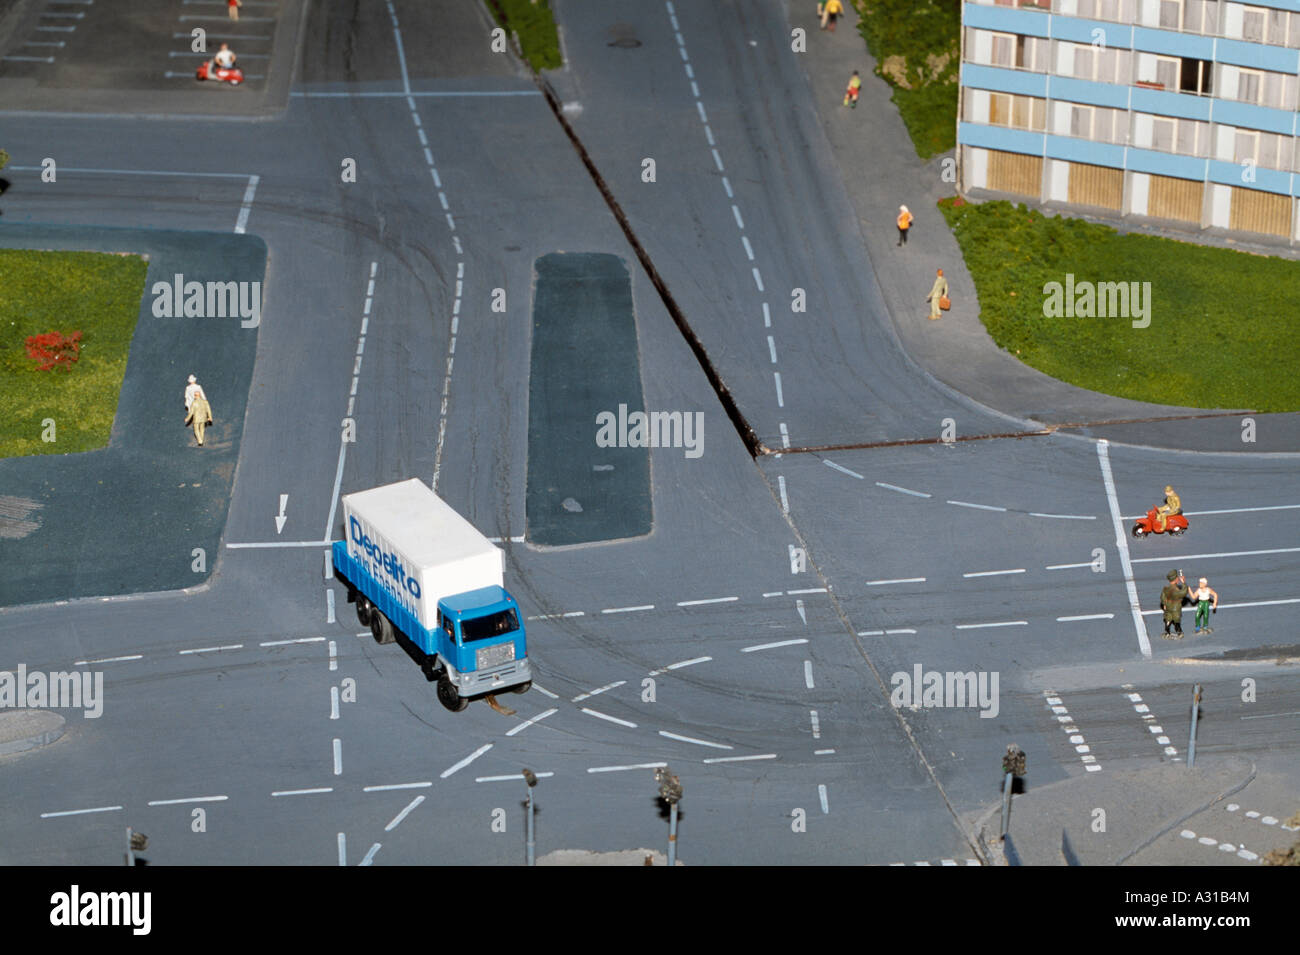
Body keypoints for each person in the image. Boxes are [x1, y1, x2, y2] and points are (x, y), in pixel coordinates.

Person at [184, 375, 213, 447]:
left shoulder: (188, 388)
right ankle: (201, 439)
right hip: (200, 408)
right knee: (201, 428)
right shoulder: (198, 387)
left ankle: (200, 440)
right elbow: (203, 396)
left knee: (197, 427)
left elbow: (187, 397)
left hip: (193, 405)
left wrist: (187, 418)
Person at [1159, 569, 1188, 639]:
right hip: (1175, 608)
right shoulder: (1176, 590)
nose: (1178, 579)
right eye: (1177, 578)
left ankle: (1167, 633)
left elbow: (1162, 598)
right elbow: (1184, 592)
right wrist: (1184, 583)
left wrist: (1165, 604)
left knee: (1168, 620)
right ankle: (1179, 632)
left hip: (1168, 608)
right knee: (1176, 621)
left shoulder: (1165, 589)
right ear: (1175, 579)